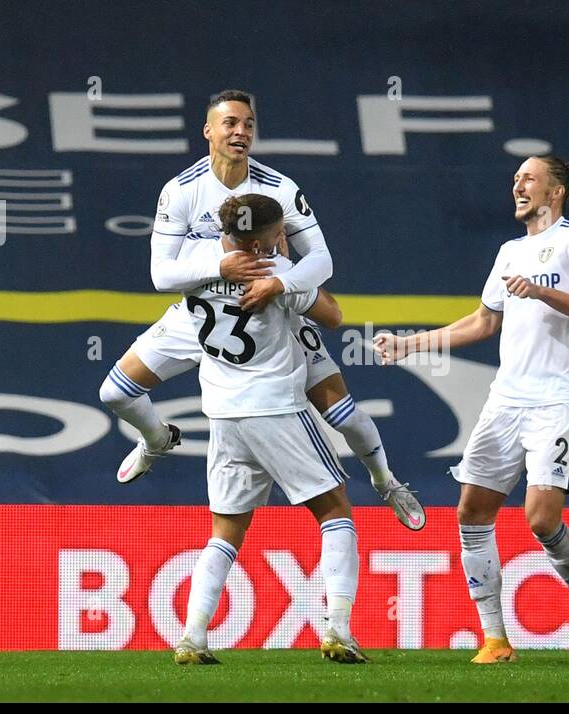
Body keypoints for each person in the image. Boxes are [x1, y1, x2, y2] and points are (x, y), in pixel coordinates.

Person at [99, 89, 425, 530]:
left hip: (275, 315)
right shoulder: (180, 191)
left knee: (345, 415)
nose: (241, 131)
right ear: (208, 131)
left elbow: (321, 261)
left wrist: (278, 283)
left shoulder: (280, 189)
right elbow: (161, 275)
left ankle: (386, 481)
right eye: (230, 123)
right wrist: (221, 266)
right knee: (115, 393)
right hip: (200, 315)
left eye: (248, 124)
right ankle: (156, 439)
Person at [374, 156, 569, 663]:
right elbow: (484, 322)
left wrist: (542, 291)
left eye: (529, 178)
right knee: (471, 511)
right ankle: (496, 639)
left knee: (542, 519)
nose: (517, 186)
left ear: (556, 192)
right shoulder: (508, 251)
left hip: (556, 398)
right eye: (515, 179)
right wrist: (412, 344)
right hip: (506, 400)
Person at [171, 194, 366, 665]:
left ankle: (193, 635)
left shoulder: (195, 263)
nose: (286, 237)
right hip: (275, 407)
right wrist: (286, 277)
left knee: (226, 531)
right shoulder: (272, 270)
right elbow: (334, 315)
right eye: (280, 231)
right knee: (336, 510)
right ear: (263, 240)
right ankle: (338, 628)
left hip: (222, 414)